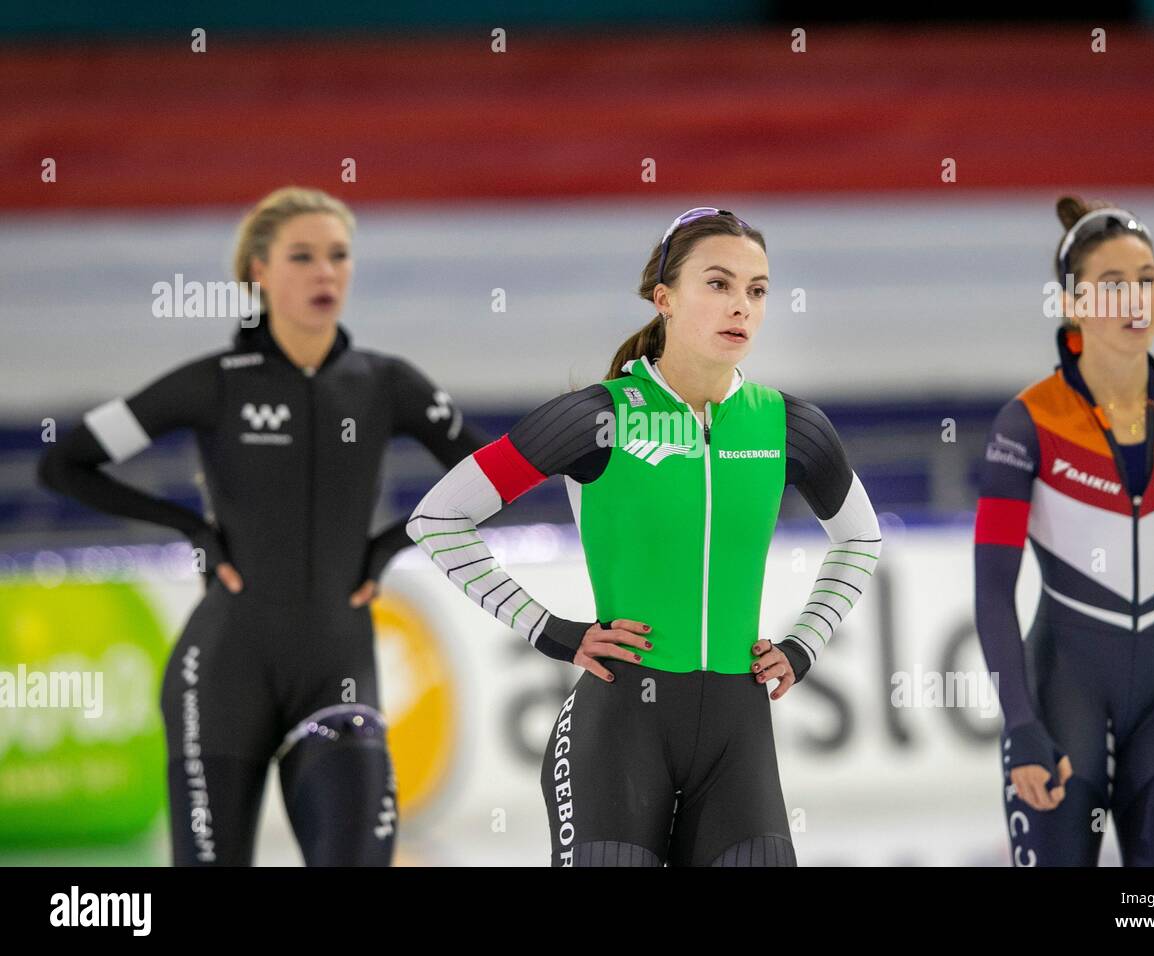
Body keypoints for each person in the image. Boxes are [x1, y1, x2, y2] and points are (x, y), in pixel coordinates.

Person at [406, 207, 882, 866]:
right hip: (618, 739)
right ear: (664, 299)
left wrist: (807, 641)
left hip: (737, 741)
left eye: (757, 289)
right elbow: (437, 518)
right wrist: (548, 629)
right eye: (718, 284)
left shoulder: (788, 427)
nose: (740, 305)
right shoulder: (597, 418)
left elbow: (860, 540)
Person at [38, 186, 487, 865]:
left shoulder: (386, 383)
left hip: (338, 670)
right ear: (258, 273)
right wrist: (190, 529)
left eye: (338, 256)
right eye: (301, 256)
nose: (325, 273)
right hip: (223, 671)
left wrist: (394, 544)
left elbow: (497, 474)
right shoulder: (214, 382)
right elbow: (65, 465)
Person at [974, 197, 1154, 866]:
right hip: (1064, 692)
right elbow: (992, 590)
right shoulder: (1026, 425)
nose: (1136, 299)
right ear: (1071, 304)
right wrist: (1019, 727)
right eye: (1113, 284)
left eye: (1148, 278)